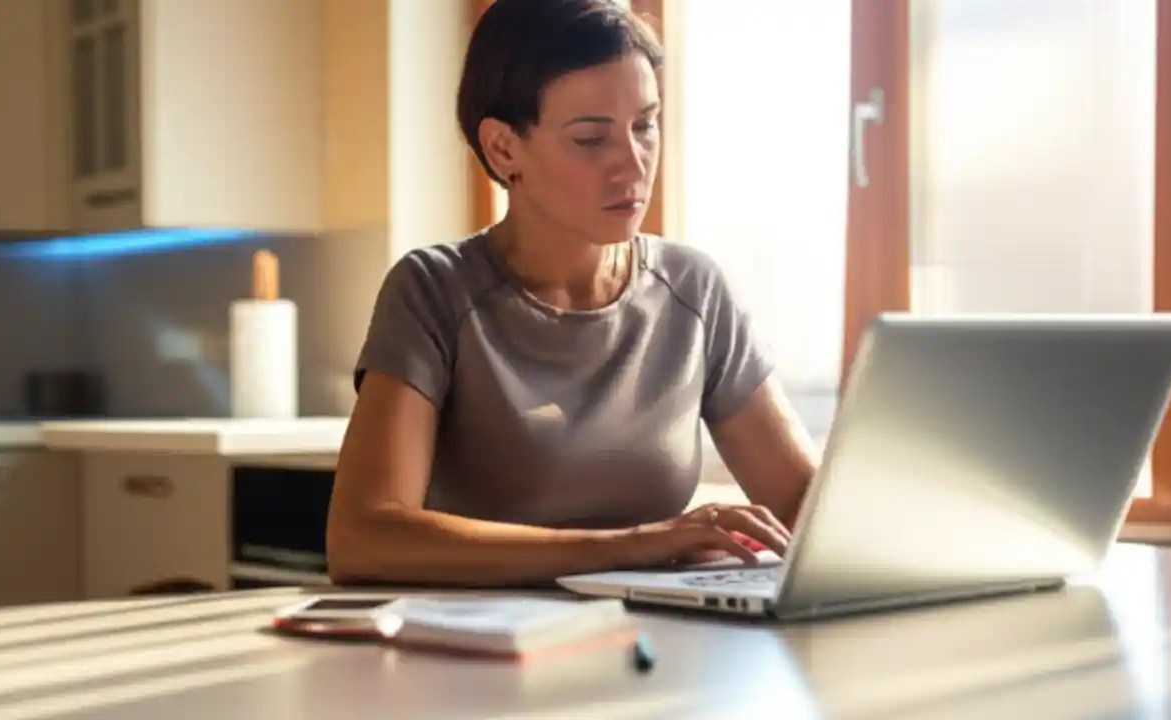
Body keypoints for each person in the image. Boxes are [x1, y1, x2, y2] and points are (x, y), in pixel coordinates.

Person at [327, 0, 819, 586]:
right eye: (591, 139)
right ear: (505, 149)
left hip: (657, 648)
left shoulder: (693, 290)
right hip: (480, 657)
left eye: (645, 125)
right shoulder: (433, 290)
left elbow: (805, 506)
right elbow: (364, 536)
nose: (633, 165)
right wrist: (631, 547)